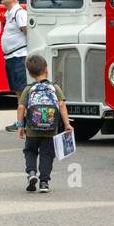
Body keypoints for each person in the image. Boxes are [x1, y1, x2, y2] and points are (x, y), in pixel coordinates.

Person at [16, 54, 73, 193]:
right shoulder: (54, 88)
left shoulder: (28, 89)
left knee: (30, 151)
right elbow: (62, 105)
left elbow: (21, 108)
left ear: (29, 73)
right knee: (47, 155)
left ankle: (31, 173)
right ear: (47, 70)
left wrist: (20, 126)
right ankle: (44, 183)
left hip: (32, 130)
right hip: (50, 130)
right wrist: (67, 124)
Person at [0, 0, 28, 96]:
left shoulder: (20, 13)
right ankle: (21, 112)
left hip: (20, 57)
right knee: (17, 90)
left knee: (22, 89)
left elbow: (29, 33)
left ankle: (24, 112)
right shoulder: (9, 14)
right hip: (11, 57)